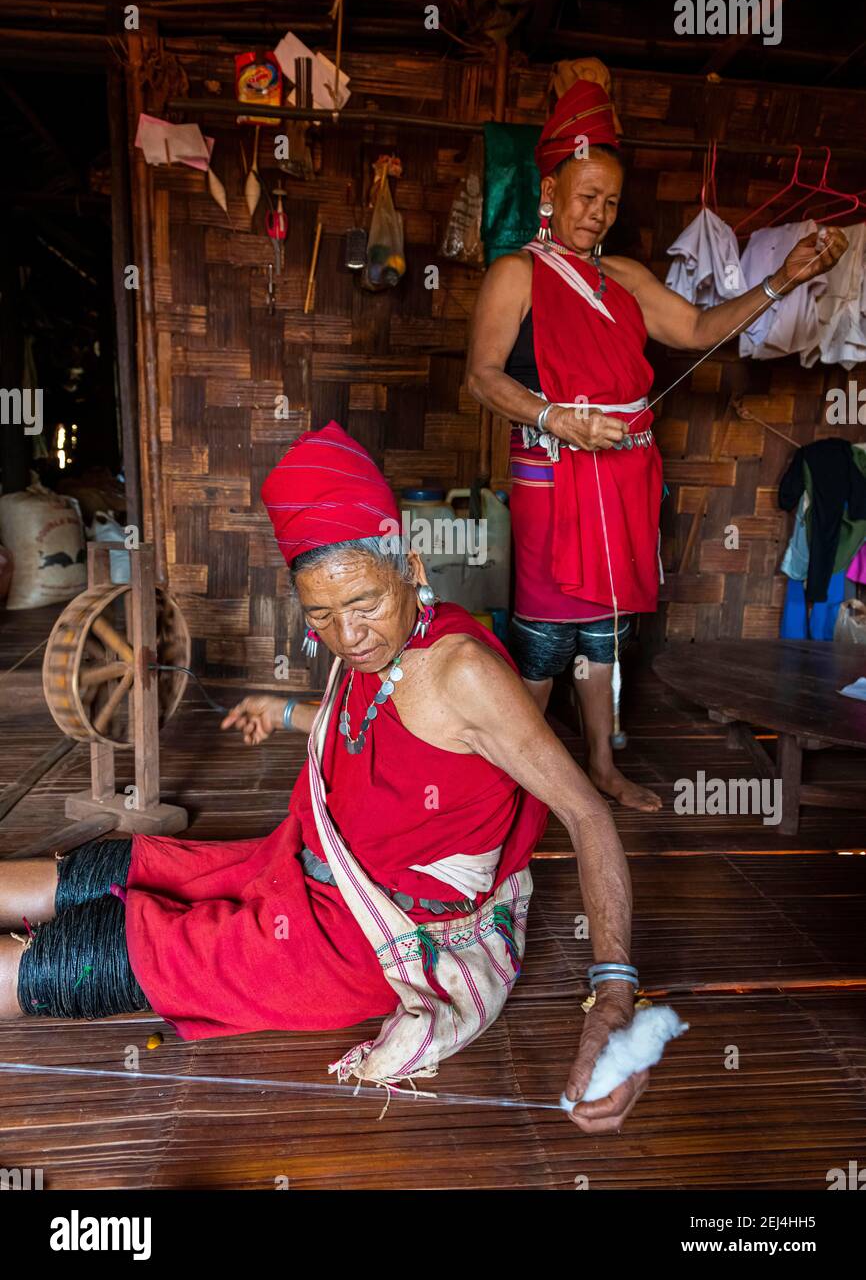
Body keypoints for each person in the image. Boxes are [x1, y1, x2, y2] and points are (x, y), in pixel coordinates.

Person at [1, 423, 647, 1132]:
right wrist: (283, 714)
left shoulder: (463, 673)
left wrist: (614, 993)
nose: (348, 636)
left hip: (363, 935)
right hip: (298, 866)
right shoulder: (373, 651)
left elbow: (588, 814)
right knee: (134, 864)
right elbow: (380, 735)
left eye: (364, 604)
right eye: (322, 616)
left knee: (129, 951)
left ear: (415, 571)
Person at [467, 79, 848, 812]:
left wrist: (780, 281)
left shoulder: (628, 278)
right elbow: (482, 378)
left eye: (609, 202)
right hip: (554, 472)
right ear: (551, 190)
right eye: (585, 197)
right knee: (548, 634)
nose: (597, 214)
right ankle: (517, 781)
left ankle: (602, 769)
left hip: (624, 476)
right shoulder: (516, 273)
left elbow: (701, 330)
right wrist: (555, 419)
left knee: (606, 628)